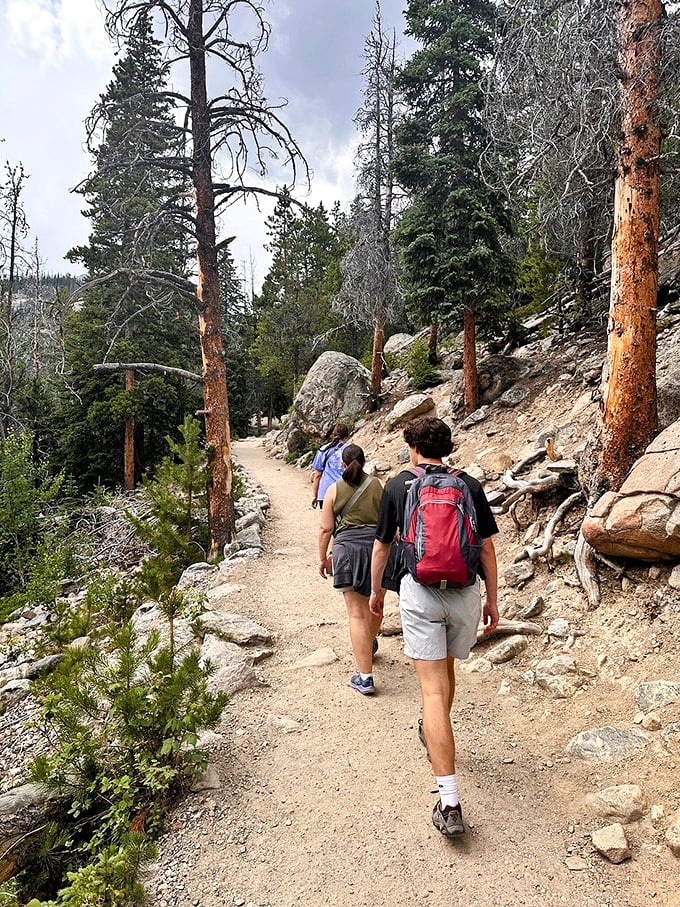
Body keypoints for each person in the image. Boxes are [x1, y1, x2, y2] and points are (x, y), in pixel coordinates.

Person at [369, 417, 499, 837]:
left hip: (419, 592)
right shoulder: (469, 484)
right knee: (447, 675)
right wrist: (493, 599)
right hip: (464, 593)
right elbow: (487, 548)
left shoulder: (398, 484)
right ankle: (436, 726)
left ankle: (449, 802)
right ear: (445, 447)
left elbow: (383, 543)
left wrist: (377, 592)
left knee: (430, 689)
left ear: (413, 447)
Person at [318, 444, 384, 695]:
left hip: (347, 551)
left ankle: (365, 677)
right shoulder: (379, 485)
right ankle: (369, 642)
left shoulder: (334, 490)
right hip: (379, 551)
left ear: (342, 465)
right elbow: (392, 522)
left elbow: (325, 529)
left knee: (356, 614)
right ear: (364, 462)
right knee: (376, 605)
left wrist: (323, 558)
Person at [311, 423, 351, 509]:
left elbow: (318, 475)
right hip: (346, 493)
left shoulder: (323, 450)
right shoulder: (351, 450)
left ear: (332, 435)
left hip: (325, 493)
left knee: (327, 521)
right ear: (348, 436)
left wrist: (315, 495)